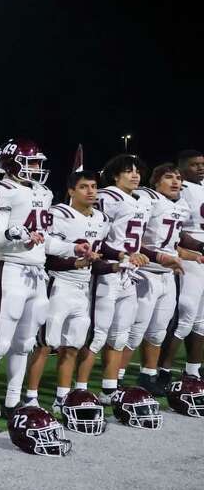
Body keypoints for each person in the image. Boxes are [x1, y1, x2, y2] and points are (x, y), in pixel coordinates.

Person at [0, 139, 62, 423]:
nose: (36, 168)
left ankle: (12, 401)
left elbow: (45, 240)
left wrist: (74, 249)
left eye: (38, 163)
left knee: (24, 344)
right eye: (31, 162)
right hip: (10, 269)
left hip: (37, 273)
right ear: (12, 163)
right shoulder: (0, 190)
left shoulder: (44, 194)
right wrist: (15, 237)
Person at [21, 171, 107, 408]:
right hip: (58, 283)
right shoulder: (58, 214)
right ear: (71, 191)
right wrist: (75, 262)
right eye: (83, 187)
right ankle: (31, 398)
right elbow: (47, 257)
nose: (90, 191)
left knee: (73, 345)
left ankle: (62, 396)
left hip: (83, 287)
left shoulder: (101, 218)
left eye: (93, 186)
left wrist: (117, 260)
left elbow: (99, 253)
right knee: (44, 344)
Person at [76, 155, 153, 402]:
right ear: (115, 175)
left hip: (128, 272)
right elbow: (96, 233)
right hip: (107, 270)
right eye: (128, 171)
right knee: (98, 335)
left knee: (120, 334)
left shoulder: (140, 200)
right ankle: (79, 389)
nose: (135, 175)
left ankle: (109, 388)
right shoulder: (107, 197)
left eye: (137, 171)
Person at [127, 163, 194, 394]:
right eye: (168, 177)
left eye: (178, 177)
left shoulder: (182, 206)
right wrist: (161, 257)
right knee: (135, 331)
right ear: (156, 181)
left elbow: (173, 243)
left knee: (158, 330)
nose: (175, 181)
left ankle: (148, 375)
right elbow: (134, 238)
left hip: (167, 274)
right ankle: (116, 379)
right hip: (145, 271)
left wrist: (193, 254)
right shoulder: (148, 199)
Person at [158, 149, 204, 382]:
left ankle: (193, 369)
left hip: (200, 252)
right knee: (186, 312)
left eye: (202, 164)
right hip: (190, 253)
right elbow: (175, 227)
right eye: (195, 164)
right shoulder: (181, 189)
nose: (200, 168)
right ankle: (163, 370)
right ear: (183, 166)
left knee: (202, 319)